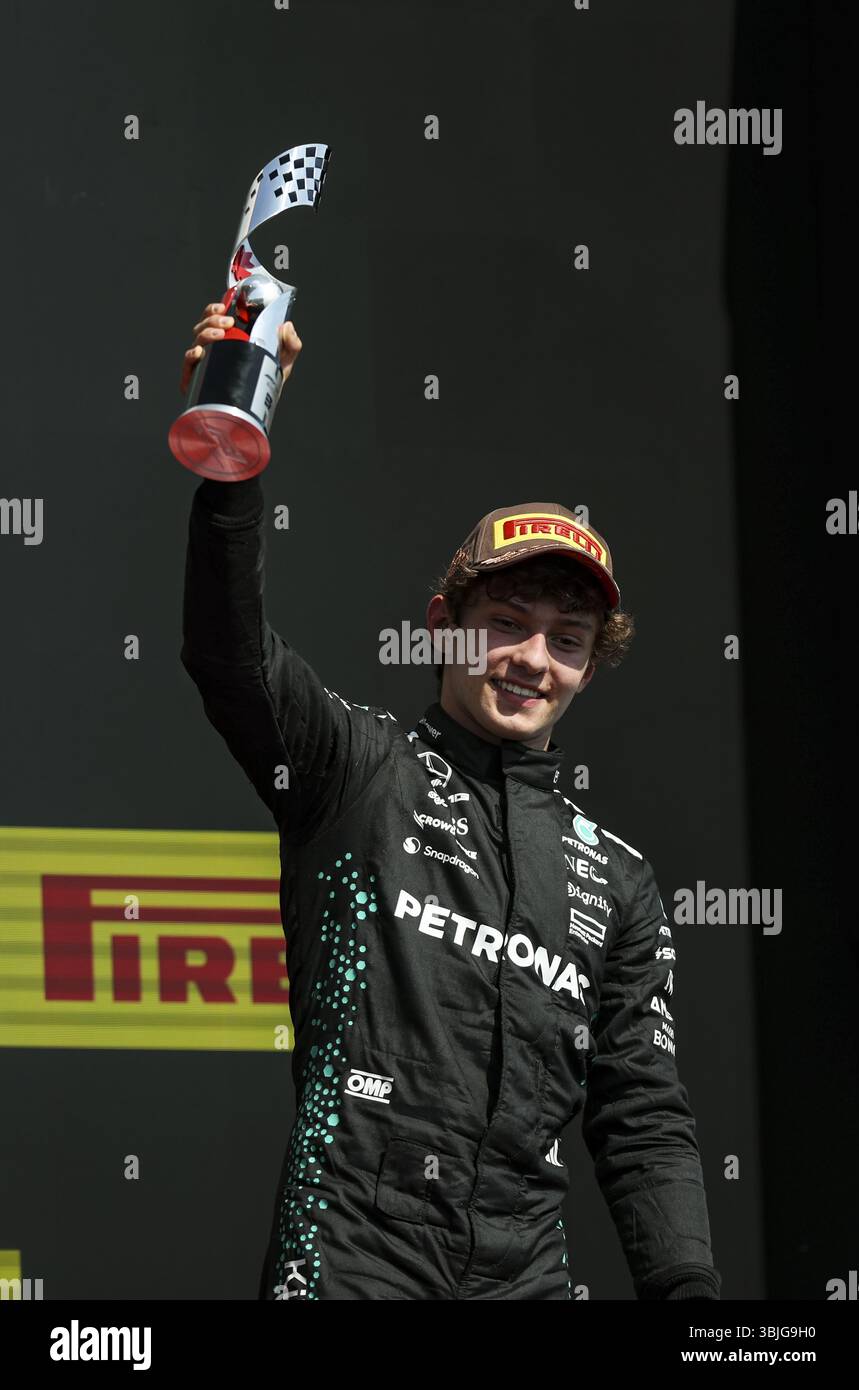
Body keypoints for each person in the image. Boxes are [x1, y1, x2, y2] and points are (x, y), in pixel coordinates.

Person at [179, 303, 722, 1301]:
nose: (530, 659)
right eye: (506, 622)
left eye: (565, 640)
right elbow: (228, 655)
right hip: (348, 1255)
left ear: (588, 668)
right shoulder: (355, 767)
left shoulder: (617, 879)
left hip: (525, 1275)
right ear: (442, 627)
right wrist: (232, 447)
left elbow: (641, 1116)